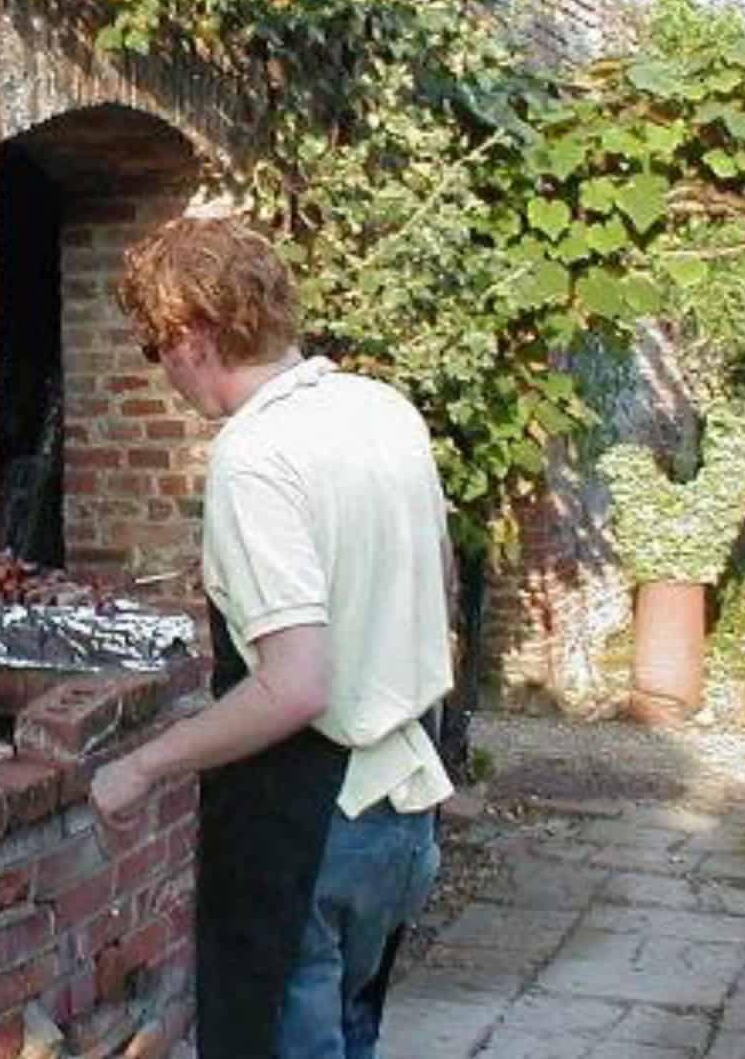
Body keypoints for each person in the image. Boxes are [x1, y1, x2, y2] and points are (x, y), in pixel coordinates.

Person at [88, 214, 455, 1059]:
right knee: (351, 1037)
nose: (164, 372)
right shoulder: (384, 410)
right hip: (405, 816)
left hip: (309, 821)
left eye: (155, 348)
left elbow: (296, 685)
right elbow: (434, 585)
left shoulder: (254, 456)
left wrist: (142, 765)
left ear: (192, 335)